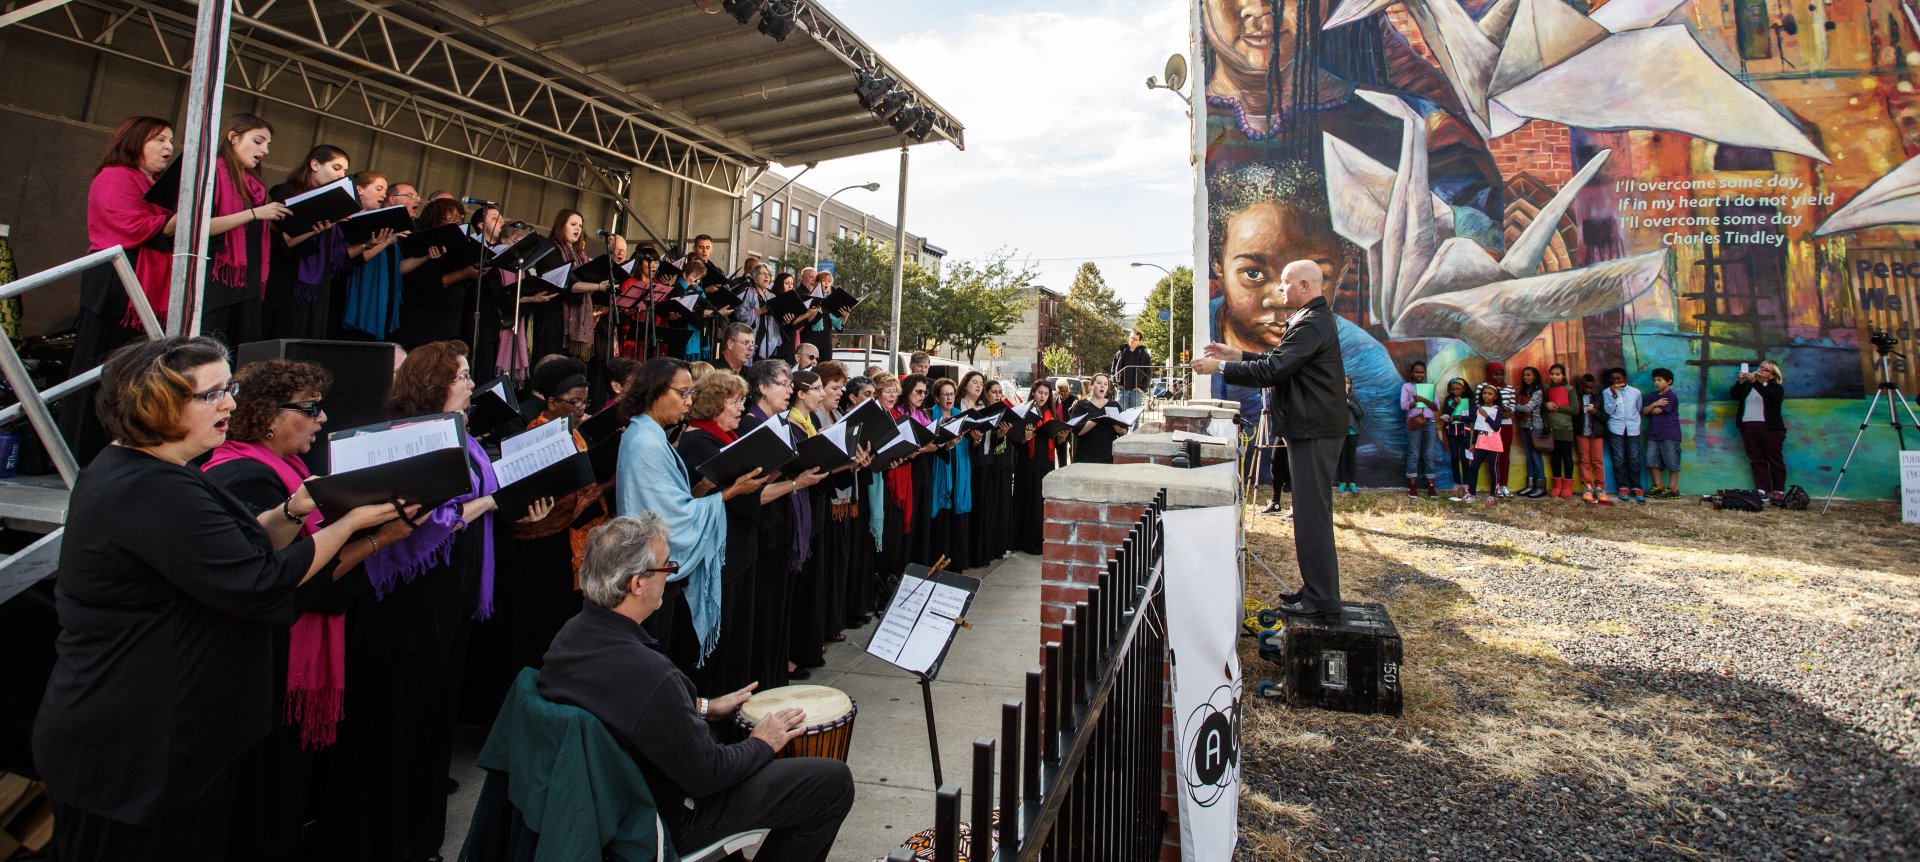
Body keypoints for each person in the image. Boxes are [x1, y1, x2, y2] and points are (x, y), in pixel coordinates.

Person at [33, 337, 401, 862]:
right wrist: (352, 524)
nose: (230, 403)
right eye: (212, 395)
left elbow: (239, 546)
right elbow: (259, 581)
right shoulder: (150, 488)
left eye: (227, 388)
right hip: (137, 748)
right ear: (155, 404)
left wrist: (295, 509)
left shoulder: (159, 472)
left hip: (163, 741)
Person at [538, 515, 856, 862]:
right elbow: (709, 774)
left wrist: (705, 707)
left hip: (616, 800)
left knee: (727, 731)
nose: (671, 574)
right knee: (832, 784)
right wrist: (763, 742)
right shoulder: (650, 674)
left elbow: (630, 710)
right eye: (665, 567)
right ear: (637, 585)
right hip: (666, 817)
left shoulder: (569, 638)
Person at [202, 359, 416, 857]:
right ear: (267, 415)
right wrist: (378, 540)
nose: (322, 420)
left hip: (281, 650)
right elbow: (287, 580)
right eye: (312, 409)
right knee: (266, 796)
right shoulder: (246, 477)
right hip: (270, 660)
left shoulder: (287, 467)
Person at [331, 340, 534, 861]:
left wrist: (513, 507)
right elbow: (426, 518)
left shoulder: (460, 435)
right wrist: (494, 501)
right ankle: (390, 838)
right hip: (414, 598)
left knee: (433, 723)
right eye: (463, 375)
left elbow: (476, 502)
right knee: (403, 722)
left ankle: (422, 835)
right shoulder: (412, 437)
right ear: (434, 382)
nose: (471, 383)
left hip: (455, 592)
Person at [1193, 258, 1346, 619]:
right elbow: (1281, 360)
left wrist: (1223, 367)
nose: (1280, 290)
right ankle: (1315, 591)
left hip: (1314, 430)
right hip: (1310, 429)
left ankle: (1322, 598)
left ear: (1306, 287)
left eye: (1286, 283)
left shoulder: (1310, 323)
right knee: (1310, 515)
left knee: (1312, 517)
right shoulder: (1310, 321)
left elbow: (1274, 370)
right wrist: (1238, 354)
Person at [615, 358, 753, 667]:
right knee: (655, 651)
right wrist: (731, 492)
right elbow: (671, 515)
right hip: (650, 564)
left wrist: (702, 489)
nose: (689, 402)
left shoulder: (649, 433)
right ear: (655, 393)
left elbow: (673, 500)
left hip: (656, 562)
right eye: (682, 393)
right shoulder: (645, 441)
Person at [64, 116, 181, 463]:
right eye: (159, 140)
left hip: (143, 285)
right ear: (134, 141)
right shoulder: (115, 176)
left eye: (170, 141)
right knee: (102, 366)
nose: (168, 148)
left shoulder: (155, 184)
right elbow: (130, 225)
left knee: (134, 371)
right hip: (116, 282)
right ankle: (81, 451)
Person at [673, 371, 766, 693]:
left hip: (737, 549)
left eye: (742, 400)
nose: (742, 408)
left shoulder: (723, 439)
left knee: (737, 633)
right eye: (735, 401)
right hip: (720, 556)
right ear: (714, 404)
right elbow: (723, 497)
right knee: (722, 636)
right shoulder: (699, 441)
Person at [738, 361, 828, 685]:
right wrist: (791, 479)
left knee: (780, 612)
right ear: (761, 387)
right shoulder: (751, 425)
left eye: (791, 384)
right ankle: (767, 680)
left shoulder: (781, 423)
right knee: (767, 612)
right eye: (783, 383)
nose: (790, 389)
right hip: (767, 530)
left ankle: (777, 676)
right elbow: (750, 485)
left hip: (785, 525)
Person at [203, 114, 295, 347]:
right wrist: (255, 213)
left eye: (267, 145)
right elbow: (200, 225)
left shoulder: (255, 185)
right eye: (258, 141)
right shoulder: (212, 171)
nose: (264, 150)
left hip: (249, 282)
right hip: (217, 278)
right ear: (233, 137)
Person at [264, 145, 353, 341]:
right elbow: (279, 240)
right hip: (287, 284)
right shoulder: (285, 192)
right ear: (314, 164)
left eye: (345, 171)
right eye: (336, 168)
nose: (341, 175)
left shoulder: (335, 202)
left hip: (318, 290)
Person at [1011, 379, 1064, 555]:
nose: (1042, 396)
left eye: (1046, 394)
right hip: (1028, 462)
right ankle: (1024, 542)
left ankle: (1040, 541)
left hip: (1046, 462)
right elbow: (1015, 440)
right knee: (1028, 502)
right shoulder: (1025, 410)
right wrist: (1025, 438)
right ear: (1033, 392)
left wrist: (1061, 439)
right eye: (1040, 392)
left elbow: (1055, 441)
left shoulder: (1051, 413)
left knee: (1041, 505)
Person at [1731, 359, 1787, 500]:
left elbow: (1771, 398)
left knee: (1775, 460)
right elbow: (1734, 395)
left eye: (1766, 369)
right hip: (1748, 426)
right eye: (1761, 367)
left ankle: (1779, 490)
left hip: (1770, 428)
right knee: (1756, 459)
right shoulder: (1749, 386)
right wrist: (1741, 382)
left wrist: (1755, 382)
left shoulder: (1776, 388)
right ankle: (1762, 489)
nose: (1762, 369)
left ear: (1772, 376)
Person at [1601, 366, 1645, 504]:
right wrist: (1614, 395)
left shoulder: (1635, 392)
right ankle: (1622, 487)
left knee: (1634, 458)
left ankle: (1636, 487)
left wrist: (1634, 422)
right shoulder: (1607, 392)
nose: (1616, 381)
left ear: (1625, 379)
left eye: (1619, 378)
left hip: (1633, 428)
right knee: (1619, 458)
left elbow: (1638, 409)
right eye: (1613, 379)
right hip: (1616, 427)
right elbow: (1608, 411)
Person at [1474, 363, 1518, 497]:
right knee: (1493, 457)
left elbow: (1513, 407)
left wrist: (1508, 411)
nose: (1498, 377)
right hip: (1488, 427)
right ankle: (1496, 485)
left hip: (1506, 425)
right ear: (1489, 374)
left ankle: (1504, 484)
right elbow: (1477, 406)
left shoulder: (1509, 388)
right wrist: (1497, 412)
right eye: (1495, 374)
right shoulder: (1482, 387)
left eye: (1501, 374)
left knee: (1505, 455)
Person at [1642, 367, 1684, 498]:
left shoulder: (1671, 395)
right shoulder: (1652, 396)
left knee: (1672, 461)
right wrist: (1655, 403)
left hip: (1669, 434)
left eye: (1660, 380)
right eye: (1655, 380)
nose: (1656, 383)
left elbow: (1656, 411)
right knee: (1651, 459)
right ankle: (1658, 486)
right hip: (1654, 434)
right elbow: (1645, 411)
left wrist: (1653, 407)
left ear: (1669, 381)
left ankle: (1672, 488)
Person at [1068, 372, 1127, 464]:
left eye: (1105, 384)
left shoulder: (1114, 405)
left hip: (1107, 456)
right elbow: (1076, 430)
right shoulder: (1080, 405)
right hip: (1085, 456)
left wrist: (1121, 431)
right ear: (1091, 385)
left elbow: (1124, 431)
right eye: (1099, 383)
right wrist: (1098, 419)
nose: (1102, 386)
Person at [1399, 361, 1438, 497]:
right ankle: (1413, 485)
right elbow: (1403, 406)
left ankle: (1431, 486)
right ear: (1412, 373)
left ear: (1425, 374)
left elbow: (1436, 407)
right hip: (1414, 422)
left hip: (1429, 422)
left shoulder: (1430, 388)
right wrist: (1415, 401)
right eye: (1416, 372)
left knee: (1428, 454)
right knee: (1413, 453)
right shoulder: (1407, 387)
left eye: (1422, 372)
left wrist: (1423, 399)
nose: (1419, 374)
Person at [1573, 373, 1611, 506]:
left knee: (1597, 460)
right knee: (1584, 459)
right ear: (1582, 386)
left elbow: (1605, 416)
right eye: (1586, 387)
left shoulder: (1598, 398)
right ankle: (1587, 486)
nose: (1589, 390)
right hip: (1581, 432)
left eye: (1591, 387)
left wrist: (1596, 413)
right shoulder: (1577, 397)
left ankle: (1600, 487)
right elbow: (1573, 413)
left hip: (1596, 432)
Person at [1542, 364, 1578, 498]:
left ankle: (1568, 485)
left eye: (1557, 374)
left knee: (1567, 457)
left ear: (1563, 375)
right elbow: (1540, 403)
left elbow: (1575, 409)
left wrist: (1557, 407)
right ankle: (1557, 485)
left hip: (1565, 427)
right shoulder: (1546, 389)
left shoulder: (1570, 389)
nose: (1554, 377)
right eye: (1552, 374)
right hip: (1551, 428)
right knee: (1555, 456)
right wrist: (1546, 405)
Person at [1468, 383, 1507, 504]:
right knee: (1474, 466)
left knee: (1492, 468)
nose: (1486, 395)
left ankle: (1492, 495)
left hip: (1493, 443)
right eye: (1484, 393)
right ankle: (1472, 494)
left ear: (1495, 396)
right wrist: (1473, 444)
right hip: (1480, 442)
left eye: (1490, 394)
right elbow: (1477, 427)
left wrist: (1486, 416)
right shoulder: (1478, 409)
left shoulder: (1497, 410)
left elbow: (1496, 427)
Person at [1515, 366, 1548, 498]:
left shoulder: (1538, 391)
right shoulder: (1523, 391)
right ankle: (1530, 485)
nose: (1526, 378)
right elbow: (1520, 408)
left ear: (1535, 376)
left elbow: (1528, 407)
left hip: (1535, 427)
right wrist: (1517, 408)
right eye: (1524, 376)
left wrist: (1513, 407)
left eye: (1529, 375)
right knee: (1528, 456)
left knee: (1536, 456)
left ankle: (1541, 487)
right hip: (1524, 426)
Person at [1440, 378, 1474, 501]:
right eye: (1453, 389)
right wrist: (1454, 404)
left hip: (1464, 432)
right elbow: (1445, 415)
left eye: (1458, 389)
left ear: (1464, 389)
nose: (1455, 391)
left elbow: (1472, 417)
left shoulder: (1469, 401)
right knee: (1454, 457)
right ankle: (1456, 483)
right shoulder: (1449, 400)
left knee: (1465, 458)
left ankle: (1466, 484)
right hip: (1451, 432)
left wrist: (1458, 417)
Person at [1110, 330, 1152, 411]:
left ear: (1139, 341)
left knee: (1134, 418)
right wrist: (1115, 384)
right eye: (1131, 338)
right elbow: (1113, 369)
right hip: (1122, 390)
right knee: (1121, 416)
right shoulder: (1120, 353)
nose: (1132, 340)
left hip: (1137, 391)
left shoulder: (1145, 355)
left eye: (1135, 339)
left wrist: (1142, 387)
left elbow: (1149, 373)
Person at [1336, 376, 1363, 493]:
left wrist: (1349, 403)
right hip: (1340, 431)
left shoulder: (1354, 397)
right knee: (1341, 457)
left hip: (1352, 431)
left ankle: (1351, 482)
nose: (1344, 384)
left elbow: (1360, 414)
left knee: (1351, 457)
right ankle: (1342, 482)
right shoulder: (1335, 397)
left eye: (1346, 383)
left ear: (1350, 385)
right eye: (1342, 382)